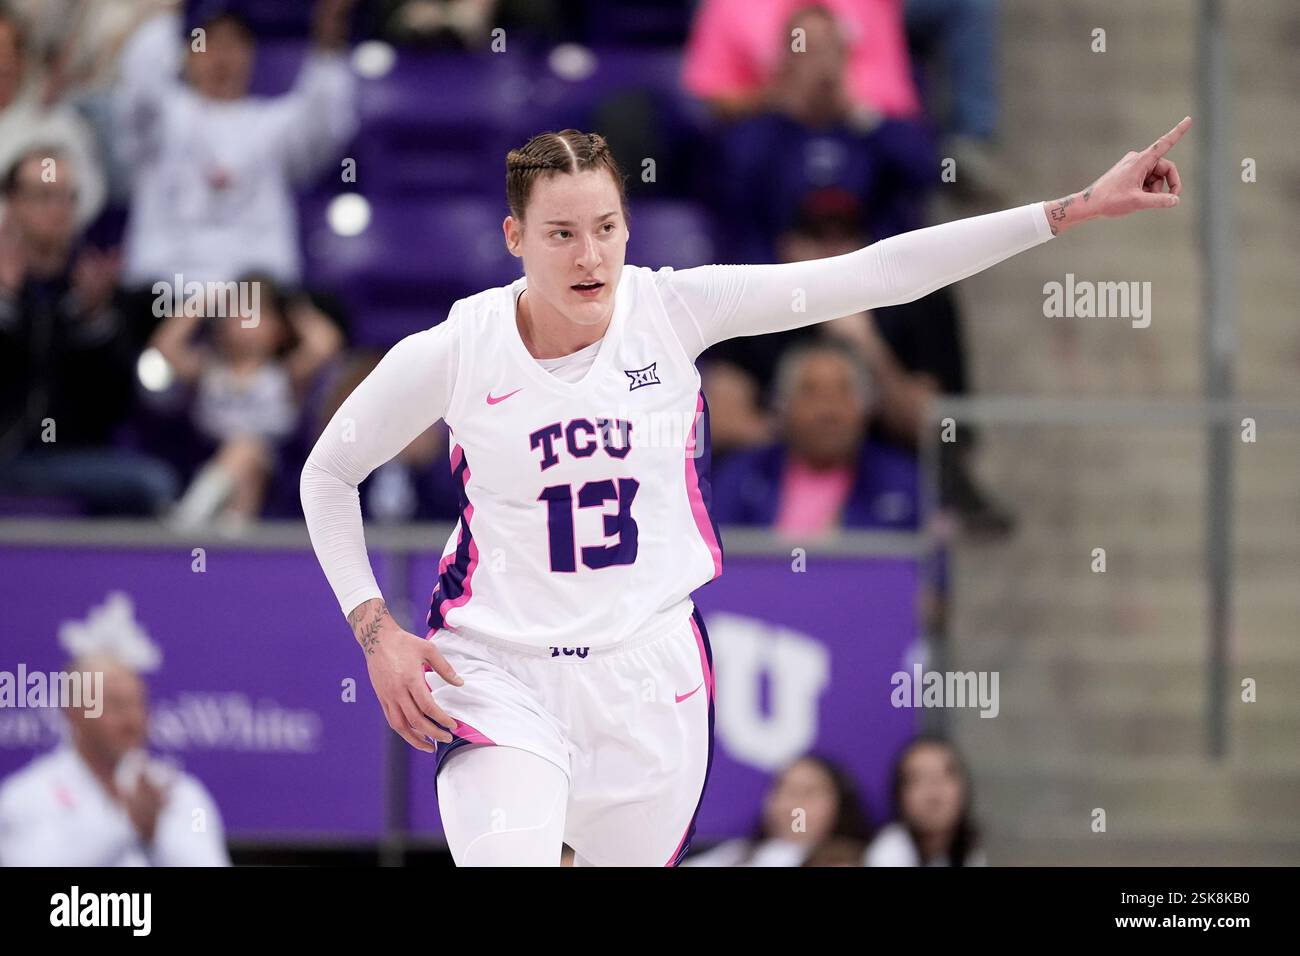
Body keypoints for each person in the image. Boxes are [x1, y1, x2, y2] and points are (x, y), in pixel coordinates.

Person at [300, 120, 1191, 866]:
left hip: (649, 674)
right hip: (497, 670)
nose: (590, 255)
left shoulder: (678, 309)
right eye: (561, 234)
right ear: (513, 238)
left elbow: (879, 272)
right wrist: (375, 629)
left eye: (607, 228)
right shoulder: (458, 350)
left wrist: (1069, 211)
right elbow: (328, 474)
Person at [0, 147, 177, 515]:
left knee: (151, 483)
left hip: (71, 458)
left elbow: (119, 407)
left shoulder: (99, 290)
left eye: (67, 197)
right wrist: (6, 307)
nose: (57, 209)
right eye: (43, 196)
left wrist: (94, 321)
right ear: (12, 203)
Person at [0, 594, 230, 866]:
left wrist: (154, 833)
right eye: (116, 705)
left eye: (137, 704)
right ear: (74, 711)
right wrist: (126, 827)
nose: (131, 720)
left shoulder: (177, 793)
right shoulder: (27, 796)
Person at [150, 274, 343, 530]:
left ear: (279, 328)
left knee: (247, 450)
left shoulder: (285, 375)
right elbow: (164, 346)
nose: (245, 321)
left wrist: (293, 306)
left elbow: (327, 344)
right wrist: (204, 301)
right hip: (207, 460)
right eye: (238, 312)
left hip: (273, 467)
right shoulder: (208, 369)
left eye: (257, 314)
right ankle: (232, 530)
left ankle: (192, 514)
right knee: (241, 455)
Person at [711, 339, 919, 536]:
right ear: (783, 405)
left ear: (868, 404)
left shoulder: (902, 483)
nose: (828, 411)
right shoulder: (740, 475)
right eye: (810, 392)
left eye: (844, 391)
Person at [684, 755, 873, 866]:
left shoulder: (857, 858)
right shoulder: (737, 853)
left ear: (839, 804)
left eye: (807, 792)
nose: (792, 804)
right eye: (783, 789)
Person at [866, 735, 984, 866]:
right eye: (918, 779)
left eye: (944, 776)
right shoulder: (888, 852)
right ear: (899, 795)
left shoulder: (971, 851)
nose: (934, 793)